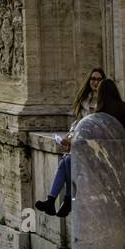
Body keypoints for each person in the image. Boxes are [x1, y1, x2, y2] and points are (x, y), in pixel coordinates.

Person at [35, 67, 104, 217]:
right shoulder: (85, 100)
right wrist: (69, 137)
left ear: (103, 82)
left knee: (67, 160)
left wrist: (75, 141)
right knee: (66, 160)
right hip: (80, 142)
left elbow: (96, 128)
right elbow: (77, 124)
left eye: (99, 79)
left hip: (95, 146)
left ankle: (59, 200)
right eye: (93, 79)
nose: (95, 82)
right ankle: (55, 201)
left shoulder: (103, 102)